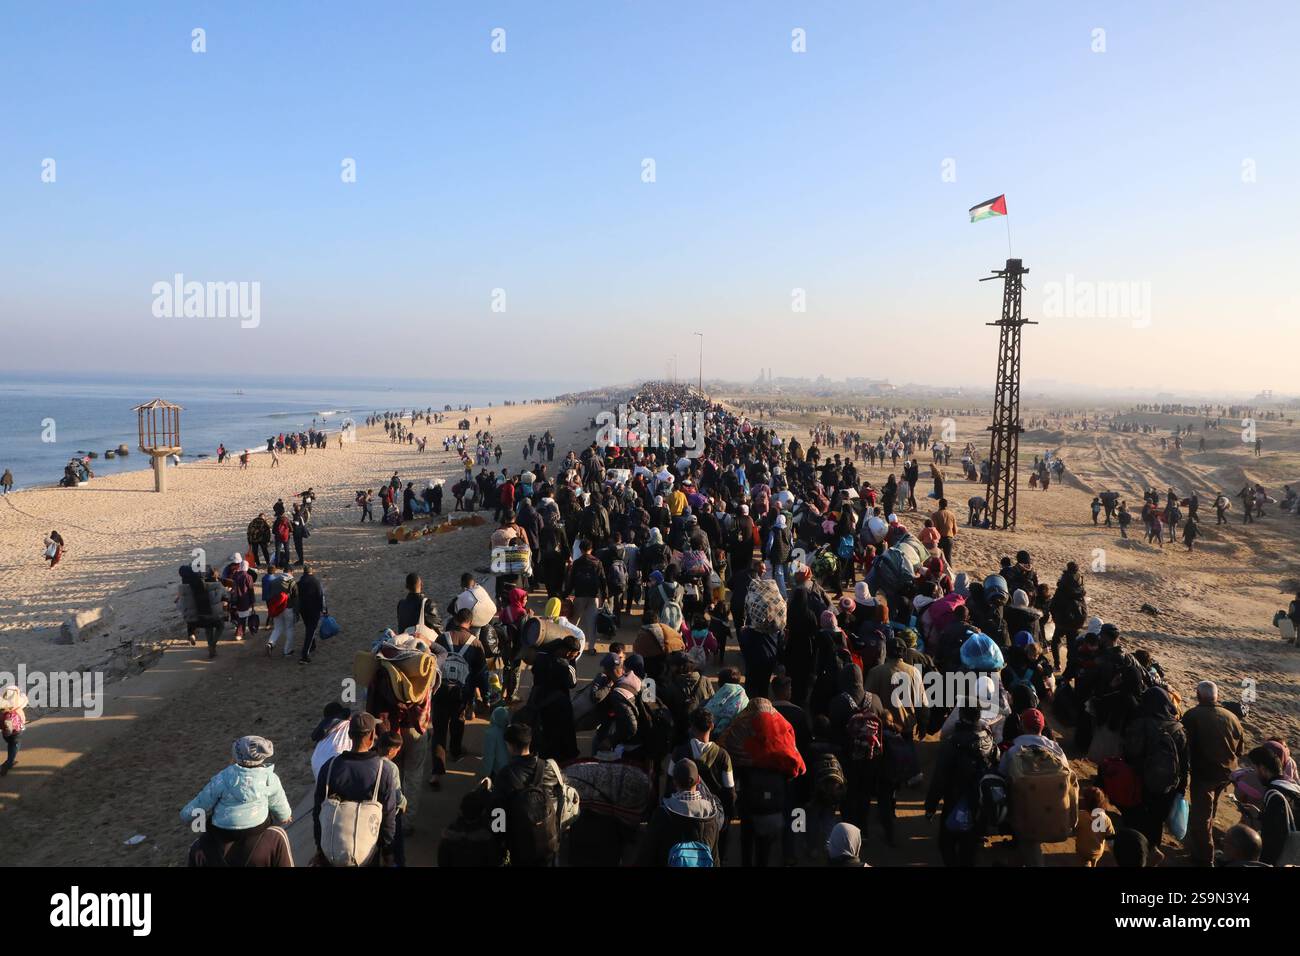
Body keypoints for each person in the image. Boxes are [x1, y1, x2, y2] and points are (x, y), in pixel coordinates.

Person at [313, 713, 402, 867]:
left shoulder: (329, 767)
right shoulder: (383, 769)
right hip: (367, 851)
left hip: (333, 850)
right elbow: (389, 816)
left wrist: (320, 850)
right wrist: (388, 853)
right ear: (373, 735)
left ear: (349, 735)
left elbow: (317, 812)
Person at [1181, 680, 1245, 866]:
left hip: (1205, 775)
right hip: (1227, 774)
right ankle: (1208, 839)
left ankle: (1204, 858)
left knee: (1200, 819)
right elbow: (1240, 750)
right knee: (1210, 809)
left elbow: (1184, 745)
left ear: (1199, 696)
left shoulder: (1192, 715)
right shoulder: (1232, 717)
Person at [490, 722, 569, 867]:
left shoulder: (505, 775)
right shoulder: (549, 768)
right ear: (529, 742)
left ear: (509, 745)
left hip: (520, 844)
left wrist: (499, 843)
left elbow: (498, 811)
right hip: (549, 839)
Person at [181, 735, 292, 834]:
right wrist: (284, 816)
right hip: (257, 826)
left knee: (207, 831)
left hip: (224, 830)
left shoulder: (223, 778)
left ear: (237, 757)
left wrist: (186, 815)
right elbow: (277, 800)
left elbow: (203, 801)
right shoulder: (270, 778)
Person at [428, 609, 486, 789]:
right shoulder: (476, 644)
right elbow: (481, 673)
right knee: (457, 721)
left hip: (440, 690)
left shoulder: (442, 638)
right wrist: (485, 695)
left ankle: (436, 773)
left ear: (454, 620)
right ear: (471, 622)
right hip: (462, 693)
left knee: (438, 731)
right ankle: (455, 750)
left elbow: (431, 663)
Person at [636, 757, 724, 866]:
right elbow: (715, 859)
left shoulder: (663, 814)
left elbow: (647, 855)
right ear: (698, 781)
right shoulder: (711, 814)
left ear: (674, 782)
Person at [1248, 744, 1300, 866]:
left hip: (1282, 858)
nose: (1254, 773)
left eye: (1254, 768)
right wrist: (1260, 816)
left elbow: (1274, 836)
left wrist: (1264, 863)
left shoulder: (1273, 793)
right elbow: (1284, 820)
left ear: (1262, 768)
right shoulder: (1294, 788)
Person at [296, 565, 326, 664]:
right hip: (314, 609)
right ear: (311, 572)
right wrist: (324, 609)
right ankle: (304, 655)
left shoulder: (299, 583)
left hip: (303, 610)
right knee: (311, 630)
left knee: (308, 627)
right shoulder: (316, 582)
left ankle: (312, 645)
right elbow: (321, 596)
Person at [0, 685, 28, 776]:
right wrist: (21, 693)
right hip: (16, 731)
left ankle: (10, 760)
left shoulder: (2, 707)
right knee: (15, 745)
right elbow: (25, 699)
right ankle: (8, 763)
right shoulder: (18, 703)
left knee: (10, 743)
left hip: (5, 732)